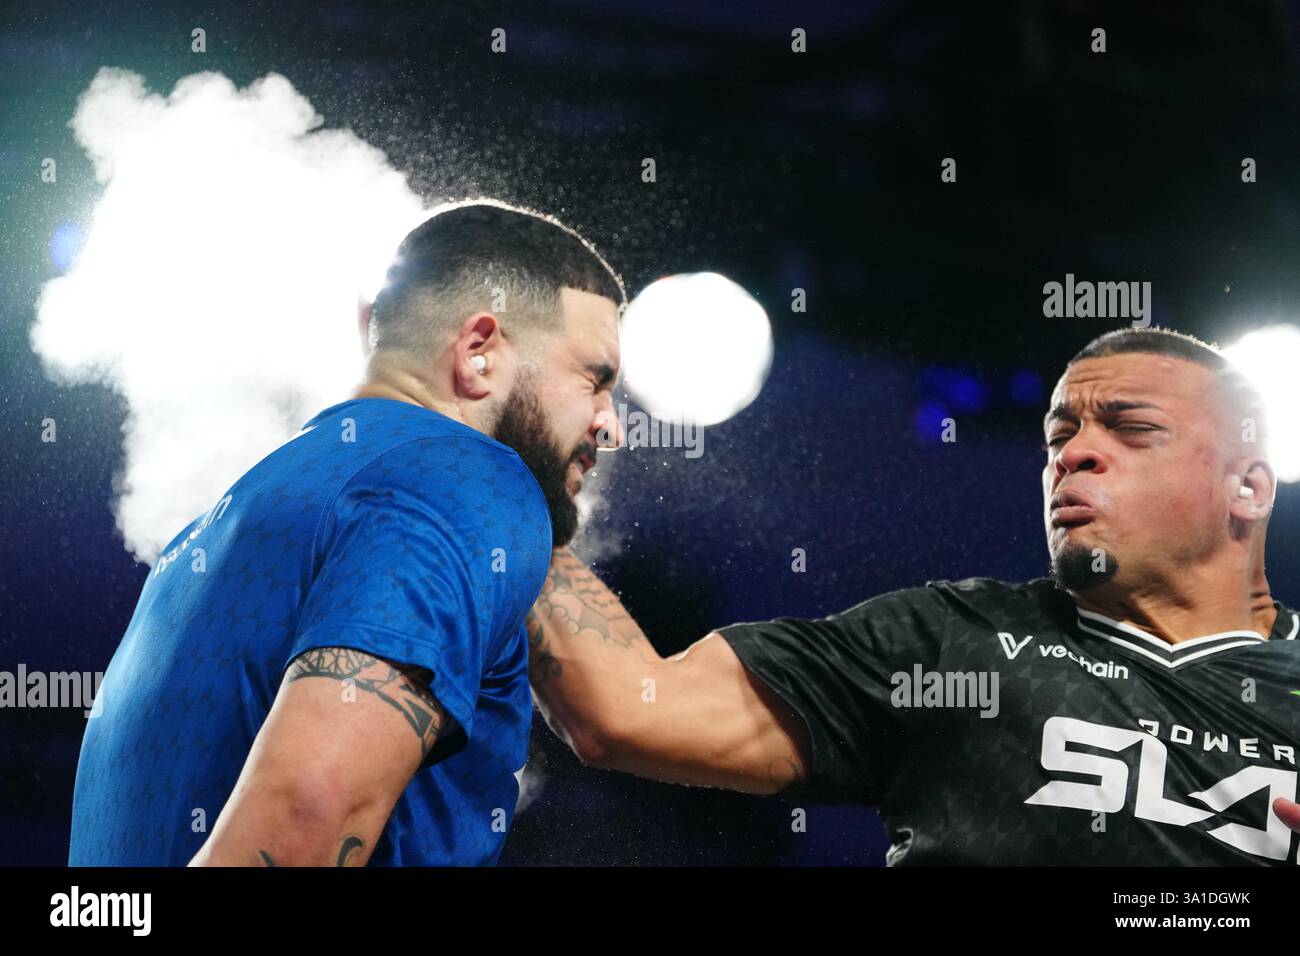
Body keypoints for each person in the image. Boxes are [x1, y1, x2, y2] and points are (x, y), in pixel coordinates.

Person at [526, 326, 1300, 865]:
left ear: (1248, 486)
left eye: (1131, 428)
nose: (1074, 456)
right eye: (1059, 438)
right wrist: (492, 473)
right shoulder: (950, 642)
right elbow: (629, 709)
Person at [69, 199, 626, 866]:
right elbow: (308, 814)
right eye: (595, 381)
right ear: (479, 353)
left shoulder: (226, 519)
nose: (611, 425)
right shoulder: (465, 475)